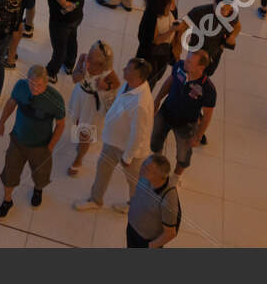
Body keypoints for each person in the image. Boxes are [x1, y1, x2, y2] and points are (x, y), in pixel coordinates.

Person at [73, 56, 152, 211]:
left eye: (128, 68)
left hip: (129, 151)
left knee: (134, 181)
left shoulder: (141, 103)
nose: (123, 69)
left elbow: (138, 134)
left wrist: (128, 157)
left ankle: (134, 206)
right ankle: (96, 200)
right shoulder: (129, 85)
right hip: (113, 142)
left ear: (137, 76)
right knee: (102, 171)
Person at [0, 64, 67, 217]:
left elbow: (61, 124)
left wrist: (51, 147)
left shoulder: (55, 99)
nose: (35, 88)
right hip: (18, 140)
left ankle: (38, 190)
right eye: (32, 84)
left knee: (41, 173)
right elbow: (11, 103)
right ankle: (7, 201)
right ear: (27, 80)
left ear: (46, 83)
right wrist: (2, 122)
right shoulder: (21, 87)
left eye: (39, 85)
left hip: (41, 146)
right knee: (10, 172)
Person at [150, 50, 216, 176]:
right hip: (165, 113)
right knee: (155, 141)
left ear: (200, 67)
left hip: (186, 124)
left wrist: (198, 135)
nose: (185, 62)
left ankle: (176, 177)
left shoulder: (207, 89)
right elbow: (170, 81)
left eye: (190, 62)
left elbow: (207, 116)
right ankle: (157, 165)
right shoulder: (180, 66)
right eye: (187, 59)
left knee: (183, 155)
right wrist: (157, 100)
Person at [65, 39, 119, 176]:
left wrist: (106, 86)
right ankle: (81, 142)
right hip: (80, 97)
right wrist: (82, 72)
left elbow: (116, 84)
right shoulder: (83, 58)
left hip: (92, 105)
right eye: (90, 51)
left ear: (101, 63)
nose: (88, 55)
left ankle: (78, 159)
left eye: (92, 55)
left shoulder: (107, 72)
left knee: (85, 133)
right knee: (78, 122)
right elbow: (74, 79)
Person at [126, 155, 181, 247]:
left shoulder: (168, 199)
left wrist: (151, 246)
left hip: (146, 240)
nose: (142, 167)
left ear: (159, 176)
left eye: (147, 168)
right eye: (144, 163)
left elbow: (171, 233)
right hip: (132, 229)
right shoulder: (145, 177)